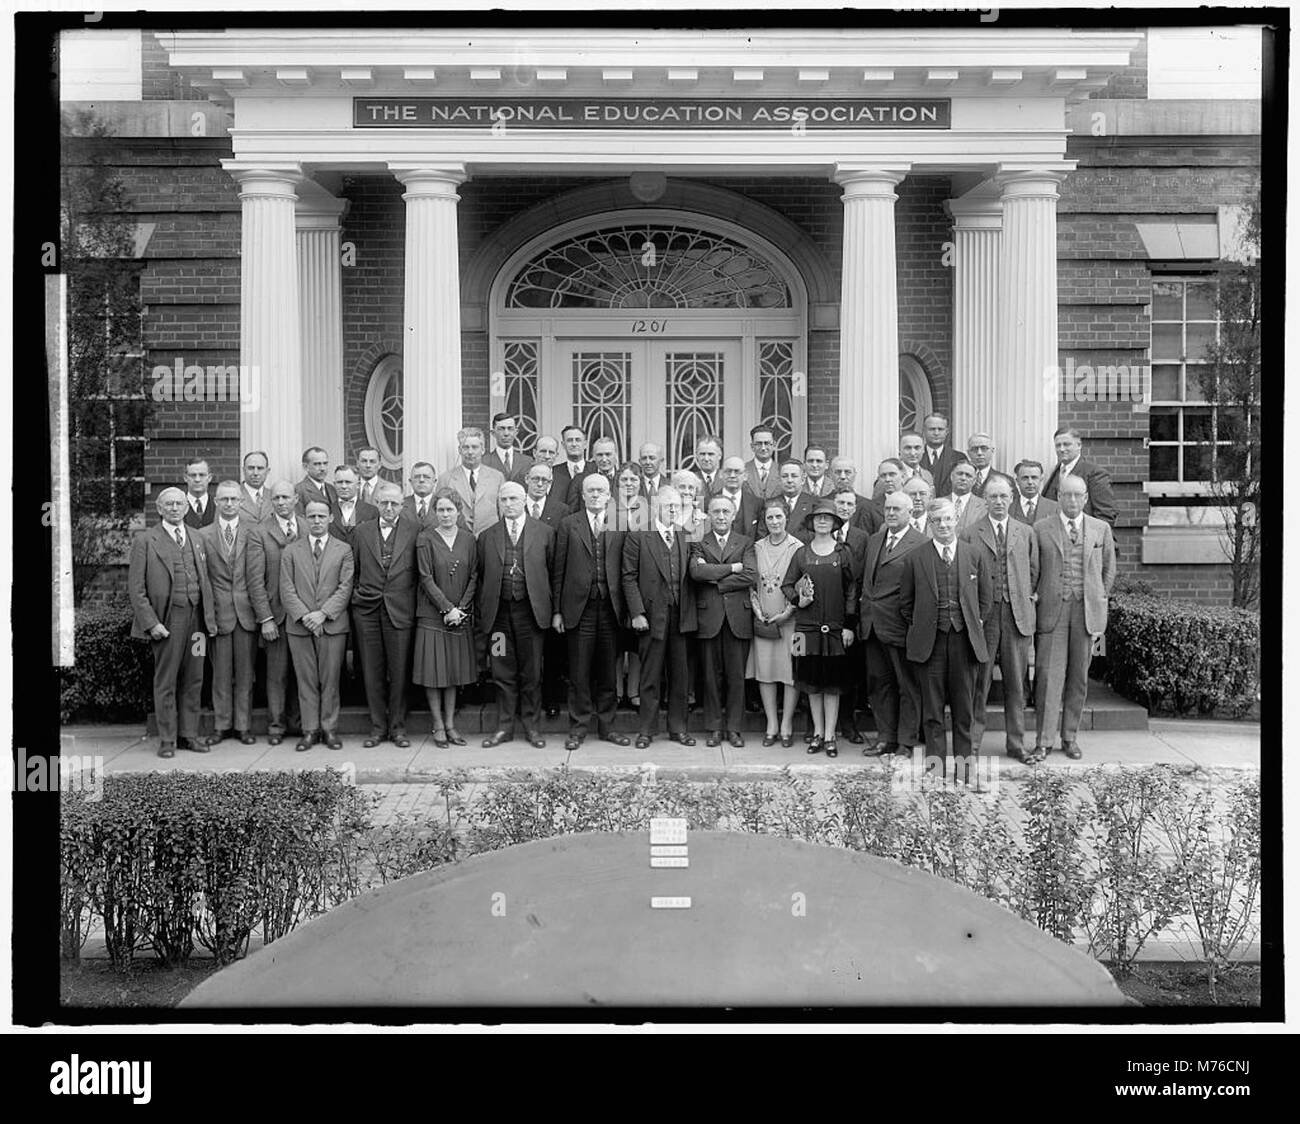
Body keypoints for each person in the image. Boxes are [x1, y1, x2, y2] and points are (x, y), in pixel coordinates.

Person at [899, 498, 991, 782]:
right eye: (937, 520)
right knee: (933, 710)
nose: (943, 525)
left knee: (964, 710)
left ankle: (965, 771)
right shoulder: (916, 557)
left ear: (957, 520)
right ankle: (936, 771)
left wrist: (969, 624)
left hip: (964, 642)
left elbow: (985, 601)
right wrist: (926, 625)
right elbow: (906, 604)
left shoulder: (974, 554)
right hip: (931, 643)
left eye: (948, 519)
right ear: (930, 523)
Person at [1031, 474, 1116, 762]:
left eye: (1077, 495)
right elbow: (1034, 570)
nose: (1072, 500)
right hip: (1052, 612)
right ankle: (1043, 741)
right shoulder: (1041, 528)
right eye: (1066, 495)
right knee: (1048, 677)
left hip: (1086, 612)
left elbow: (1108, 571)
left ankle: (1070, 737)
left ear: (1086, 498)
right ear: (1058, 497)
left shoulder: (1100, 529)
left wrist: (1097, 598)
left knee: (1078, 678)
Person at [128, 487, 217, 758]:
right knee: (166, 679)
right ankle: (167, 739)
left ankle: (189, 734)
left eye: (180, 503)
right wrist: (151, 623)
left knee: (195, 678)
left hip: (197, 621)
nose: (175, 508)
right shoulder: (146, 540)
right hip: (169, 621)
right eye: (169, 504)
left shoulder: (198, 538)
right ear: (160, 508)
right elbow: (136, 588)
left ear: (187, 507)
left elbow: (206, 580)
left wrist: (209, 618)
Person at [961, 475, 1039, 760]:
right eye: (992, 497)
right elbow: (964, 577)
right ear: (985, 501)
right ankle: (971, 744)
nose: (998, 502)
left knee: (1016, 685)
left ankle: (1016, 744)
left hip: (1017, 617)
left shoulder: (1025, 532)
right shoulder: (970, 533)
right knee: (978, 684)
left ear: (1012, 499)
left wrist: (1021, 598)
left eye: (1003, 496)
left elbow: (1034, 573)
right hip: (985, 618)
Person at [551, 474, 631, 750]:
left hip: (611, 608)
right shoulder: (568, 524)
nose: (596, 495)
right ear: (583, 495)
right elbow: (558, 570)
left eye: (601, 490)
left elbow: (627, 568)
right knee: (579, 671)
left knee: (609, 672)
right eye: (591, 491)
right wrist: (557, 611)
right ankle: (579, 726)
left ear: (610, 495)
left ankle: (608, 727)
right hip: (578, 608)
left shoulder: (620, 523)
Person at [477, 481, 554, 748]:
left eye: (513, 499)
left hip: (530, 615)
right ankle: (504, 727)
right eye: (503, 499)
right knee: (501, 670)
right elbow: (481, 577)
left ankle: (532, 727)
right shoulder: (487, 536)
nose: (508, 504)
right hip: (498, 619)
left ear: (524, 500)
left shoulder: (544, 533)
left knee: (531, 673)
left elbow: (553, 574)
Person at [622, 485, 697, 748]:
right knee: (650, 676)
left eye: (677, 506)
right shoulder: (639, 536)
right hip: (651, 616)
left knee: (680, 676)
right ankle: (647, 730)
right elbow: (628, 577)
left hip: (681, 616)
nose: (673, 510)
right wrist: (637, 612)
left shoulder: (686, 535)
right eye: (668, 506)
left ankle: (678, 729)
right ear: (656, 508)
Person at [782, 499, 857, 757]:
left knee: (832, 685)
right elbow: (787, 585)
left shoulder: (842, 552)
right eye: (818, 518)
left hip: (836, 630)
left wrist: (849, 625)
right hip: (803, 631)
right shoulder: (801, 553)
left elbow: (852, 590)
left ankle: (830, 736)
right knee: (810, 683)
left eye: (827, 517)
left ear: (835, 523)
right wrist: (797, 600)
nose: (822, 521)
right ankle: (816, 733)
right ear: (812, 522)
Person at [280, 499, 354, 751]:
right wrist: (305, 616)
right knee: (306, 680)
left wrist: (323, 614)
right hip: (300, 626)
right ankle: (310, 730)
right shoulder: (291, 550)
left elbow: (345, 587)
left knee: (330, 679)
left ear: (331, 518)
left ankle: (329, 729)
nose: (317, 521)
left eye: (322, 516)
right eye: (311, 516)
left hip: (332, 625)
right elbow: (287, 588)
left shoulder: (343, 549)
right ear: (304, 518)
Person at [350, 482, 419, 749]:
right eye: (384, 503)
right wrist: (359, 597)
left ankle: (398, 728)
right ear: (376, 503)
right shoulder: (361, 532)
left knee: (400, 672)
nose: (389, 508)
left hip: (400, 610)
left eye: (394, 504)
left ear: (402, 505)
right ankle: (377, 727)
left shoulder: (415, 531)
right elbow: (353, 570)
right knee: (372, 671)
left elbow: (418, 574)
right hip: (367, 610)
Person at [859, 490, 927, 757]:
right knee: (879, 684)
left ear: (910, 512)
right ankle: (884, 737)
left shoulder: (919, 542)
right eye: (888, 509)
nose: (890, 513)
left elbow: (921, 588)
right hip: (872, 625)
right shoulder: (875, 539)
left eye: (897, 509)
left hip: (900, 625)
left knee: (906, 686)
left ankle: (906, 742)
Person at [690, 494, 757, 748]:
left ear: (734, 514)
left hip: (738, 617)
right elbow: (697, 572)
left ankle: (735, 728)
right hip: (709, 617)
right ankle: (715, 727)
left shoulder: (745, 542)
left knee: (736, 676)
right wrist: (732, 568)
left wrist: (716, 581)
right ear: (709, 514)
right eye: (715, 512)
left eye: (725, 512)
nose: (720, 516)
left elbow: (750, 575)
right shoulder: (699, 541)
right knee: (710, 675)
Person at [413, 487, 478, 747]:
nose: (445, 514)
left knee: (452, 672)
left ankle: (451, 725)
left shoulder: (468, 539)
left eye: (450, 509)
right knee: (433, 672)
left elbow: (474, 575)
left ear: (458, 511)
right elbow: (425, 577)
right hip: (432, 616)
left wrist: (460, 609)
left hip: (459, 616)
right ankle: (437, 725)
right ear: (434, 512)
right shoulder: (425, 538)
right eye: (440, 509)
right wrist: (446, 608)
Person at [201, 480, 258, 746]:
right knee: (221, 674)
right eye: (224, 499)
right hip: (219, 614)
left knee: (245, 675)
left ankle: (243, 726)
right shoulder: (203, 535)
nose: (229, 504)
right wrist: (209, 616)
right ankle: (222, 725)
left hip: (246, 613)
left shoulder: (253, 533)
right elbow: (204, 580)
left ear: (242, 502)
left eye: (234, 499)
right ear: (216, 502)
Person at [246, 480, 301, 745]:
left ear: (296, 498)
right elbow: (255, 580)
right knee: (276, 674)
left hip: (303, 616)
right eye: (276, 498)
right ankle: (276, 726)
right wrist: (265, 618)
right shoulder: (260, 532)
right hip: (276, 616)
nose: (281, 502)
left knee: (302, 673)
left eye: (286, 497)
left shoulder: (307, 525)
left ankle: (299, 722)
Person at [747, 498, 802, 746]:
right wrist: (758, 610)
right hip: (764, 620)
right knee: (765, 671)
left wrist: (788, 612)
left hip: (791, 621)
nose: (774, 522)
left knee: (790, 673)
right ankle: (771, 723)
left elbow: (803, 585)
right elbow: (750, 584)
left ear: (786, 518)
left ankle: (787, 723)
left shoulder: (798, 547)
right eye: (770, 517)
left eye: (779, 516)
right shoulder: (755, 547)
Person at [831, 487, 871, 743]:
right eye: (840, 503)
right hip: (822, 612)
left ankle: (848, 723)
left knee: (849, 672)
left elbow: (863, 576)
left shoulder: (862, 537)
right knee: (823, 669)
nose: (844, 508)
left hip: (851, 612)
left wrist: (852, 618)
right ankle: (821, 725)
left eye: (849, 504)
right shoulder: (817, 534)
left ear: (855, 508)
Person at [1041, 426, 1118, 526]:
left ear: (1079, 445)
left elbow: (1106, 513)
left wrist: (1092, 538)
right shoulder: (1055, 471)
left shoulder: (1095, 473)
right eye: (1058, 445)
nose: (1062, 449)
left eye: (1066, 444)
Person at [446, 428, 504, 533]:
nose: (470, 452)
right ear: (459, 450)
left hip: (490, 538)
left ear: (483, 450)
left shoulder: (497, 477)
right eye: (465, 447)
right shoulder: (446, 479)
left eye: (474, 447)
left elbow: (503, 512)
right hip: (457, 540)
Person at [920, 413, 968, 498]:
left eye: (940, 429)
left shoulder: (958, 458)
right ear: (924, 431)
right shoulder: (916, 457)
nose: (936, 433)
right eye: (932, 429)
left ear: (947, 432)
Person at [717, 455, 762, 538]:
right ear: (721, 474)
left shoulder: (758, 504)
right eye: (728, 471)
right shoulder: (707, 502)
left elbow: (761, 537)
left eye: (737, 472)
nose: (732, 475)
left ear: (745, 476)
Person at [331, 464, 377, 544]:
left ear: (358, 485)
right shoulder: (327, 510)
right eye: (339, 482)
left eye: (348, 482)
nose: (344, 486)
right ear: (334, 484)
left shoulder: (372, 512)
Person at [484, 412, 534, 484]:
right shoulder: (484, 462)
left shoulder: (527, 462)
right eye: (501, 429)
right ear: (493, 433)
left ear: (516, 432)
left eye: (510, 429)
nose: (506, 433)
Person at [551, 424, 590, 508]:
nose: (574, 444)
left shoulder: (595, 470)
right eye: (569, 440)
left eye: (578, 440)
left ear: (585, 444)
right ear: (563, 445)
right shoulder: (554, 472)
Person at [966, 433, 1015, 498]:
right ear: (968, 453)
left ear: (992, 451)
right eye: (975, 449)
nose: (979, 453)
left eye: (984, 448)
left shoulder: (1006, 480)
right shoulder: (960, 479)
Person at [295, 446, 340, 519]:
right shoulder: (299, 490)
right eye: (317, 464)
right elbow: (299, 519)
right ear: (305, 467)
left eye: (325, 463)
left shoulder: (332, 489)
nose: (322, 468)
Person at [522, 462, 569, 530]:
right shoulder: (517, 505)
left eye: (544, 480)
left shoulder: (561, 510)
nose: (540, 484)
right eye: (536, 479)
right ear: (527, 479)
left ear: (550, 483)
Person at [1011, 459, 1059, 525]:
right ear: (1017, 480)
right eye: (1025, 478)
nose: (1030, 482)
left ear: (1041, 479)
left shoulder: (1055, 508)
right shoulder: (1009, 507)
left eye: (1034, 478)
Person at [776, 460, 816, 539]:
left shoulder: (814, 504)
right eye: (784, 476)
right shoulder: (770, 504)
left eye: (794, 476)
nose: (789, 480)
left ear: (803, 479)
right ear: (779, 480)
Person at [945, 461, 987, 534]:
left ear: (974, 481)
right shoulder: (938, 504)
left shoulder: (985, 507)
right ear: (951, 476)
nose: (963, 478)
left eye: (968, 475)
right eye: (960, 474)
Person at [744, 424, 782, 499]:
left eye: (767, 443)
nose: (763, 448)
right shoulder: (742, 470)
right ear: (752, 446)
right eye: (759, 444)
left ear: (774, 445)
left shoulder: (782, 470)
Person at [401, 461, 440, 530]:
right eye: (417, 477)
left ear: (435, 481)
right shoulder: (400, 505)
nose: (421, 480)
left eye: (426, 477)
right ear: (410, 481)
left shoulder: (445, 505)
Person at [672, 469, 710, 539]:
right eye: (682, 487)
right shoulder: (665, 517)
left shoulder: (705, 520)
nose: (686, 492)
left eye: (691, 488)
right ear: (674, 489)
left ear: (696, 491)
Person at [238, 450, 272, 523]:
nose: (255, 473)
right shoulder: (232, 495)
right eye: (251, 468)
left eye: (260, 468)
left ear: (267, 471)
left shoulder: (274, 496)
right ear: (243, 470)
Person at [182, 457, 217, 528]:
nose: (197, 479)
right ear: (185, 478)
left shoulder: (218, 506)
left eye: (202, 475)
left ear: (209, 478)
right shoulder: (177, 506)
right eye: (193, 475)